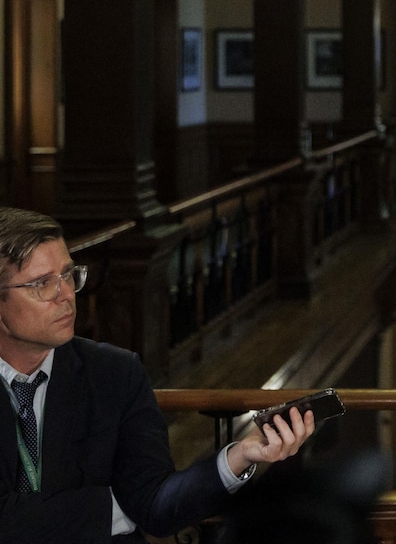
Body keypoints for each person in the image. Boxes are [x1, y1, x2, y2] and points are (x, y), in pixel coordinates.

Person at [0, 207, 316, 542]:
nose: (66, 295)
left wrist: (239, 456)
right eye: (43, 284)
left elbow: (155, 504)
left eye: (68, 275)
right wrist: (115, 508)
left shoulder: (115, 373)